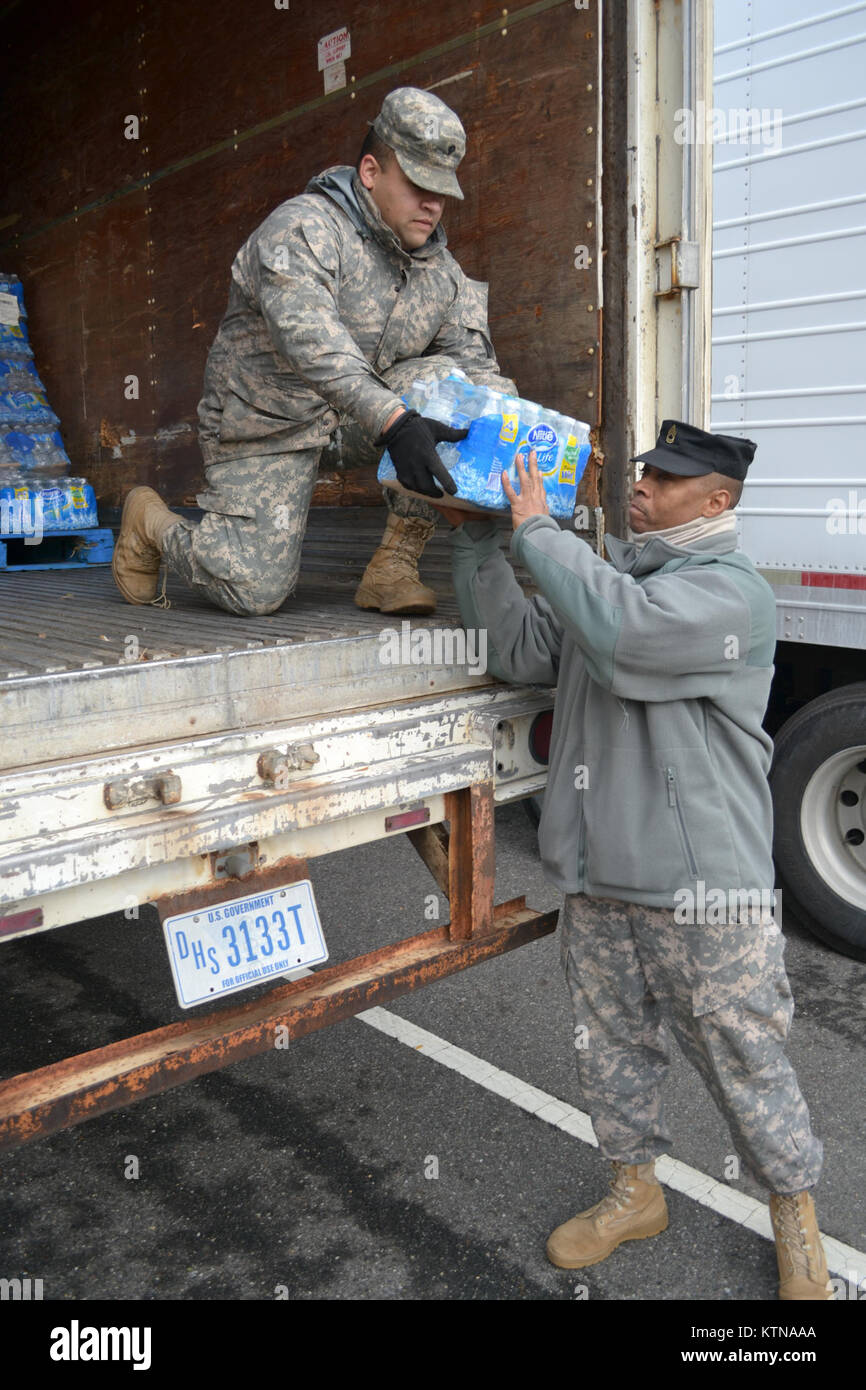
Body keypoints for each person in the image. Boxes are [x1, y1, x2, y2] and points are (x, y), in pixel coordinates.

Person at [435, 421, 833, 1301]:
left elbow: (623, 638)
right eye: (645, 470)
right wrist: (477, 545)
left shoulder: (729, 597)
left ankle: (796, 1221)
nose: (642, 484)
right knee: (611, 1046)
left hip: (706, 893)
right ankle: (634, 1190)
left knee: (745, 1056)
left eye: (666, 477)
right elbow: (525, 650)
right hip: (599, 876)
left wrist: (537, 531)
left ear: (718, 501)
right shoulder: (617, 582)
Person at [111, 87, 515, 618]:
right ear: (370, 171)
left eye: (442, 191)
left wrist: (516, 438)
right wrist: (395, 420)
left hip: (356, 421)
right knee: (254, 592)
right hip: (264, 421)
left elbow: (479, 370)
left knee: (456, 394)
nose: (433, 204)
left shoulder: (442, 273)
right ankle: (150, 523)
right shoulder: (303, 229)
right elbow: (315, 345)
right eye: (418, 184)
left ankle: (392, 567)